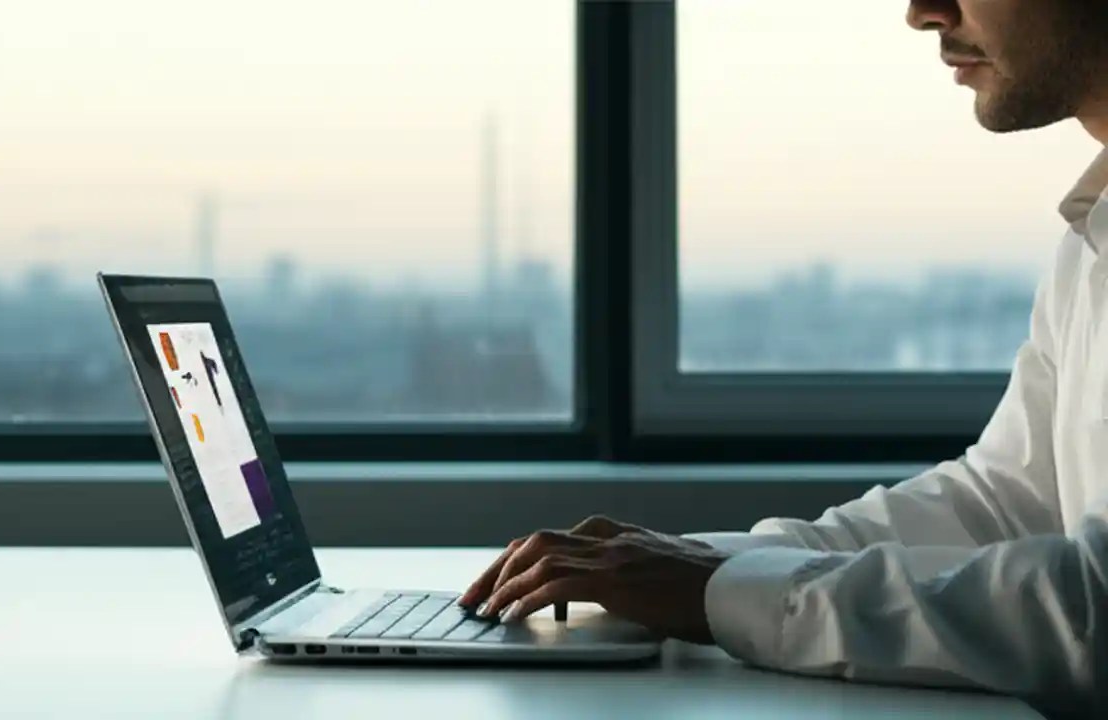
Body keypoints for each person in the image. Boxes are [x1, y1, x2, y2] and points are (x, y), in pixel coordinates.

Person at [459, 1, 1108, 715]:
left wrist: (721, 595)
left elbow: (1094, 614)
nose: (923, 12)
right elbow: (1004, 502)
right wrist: (707, 567)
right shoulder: (1092, 232)